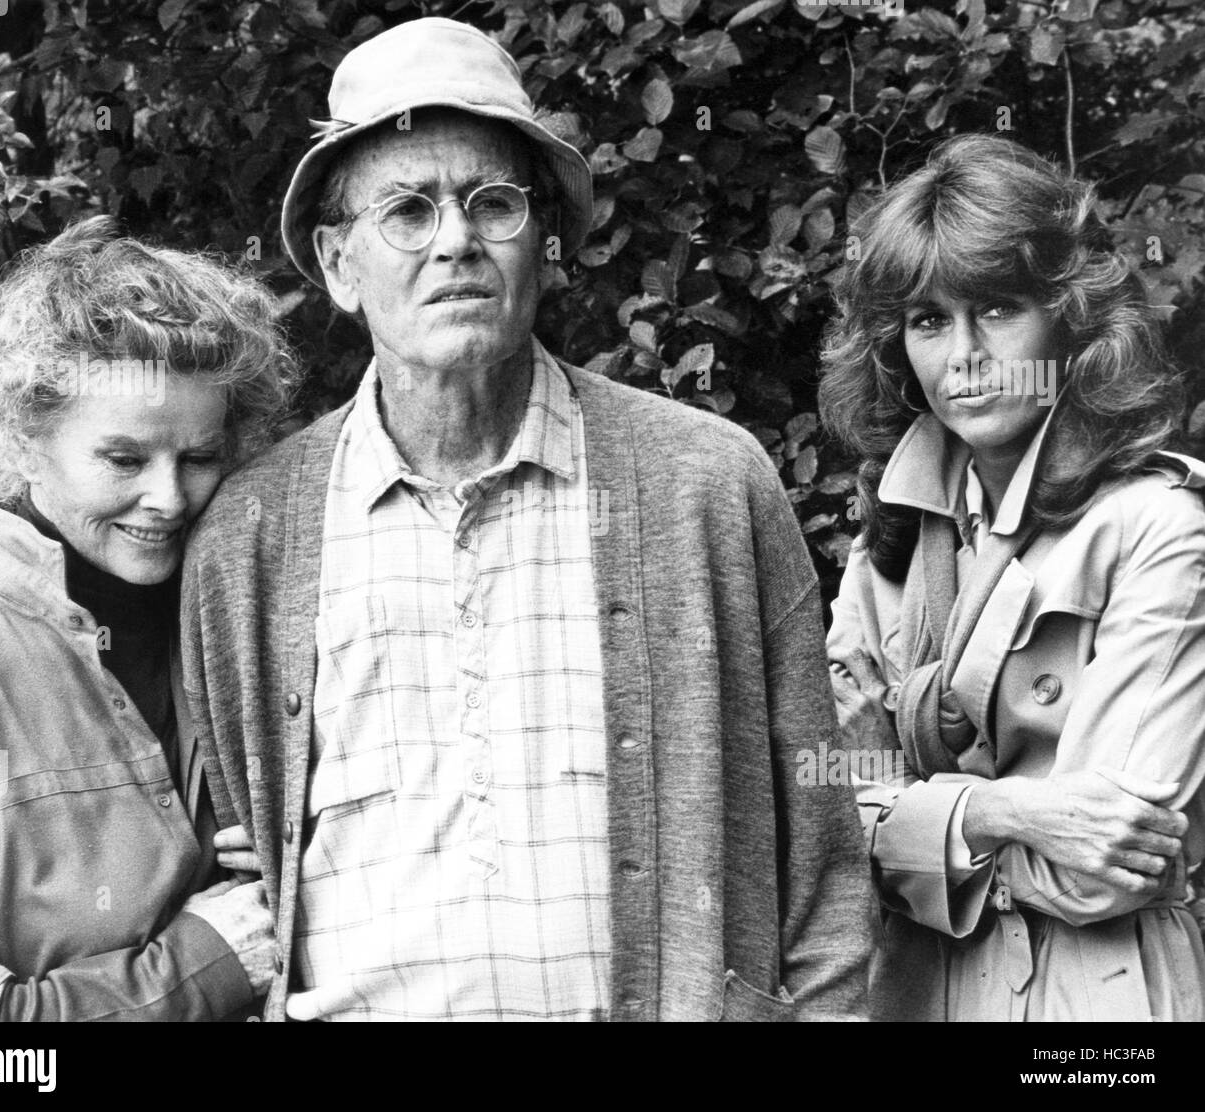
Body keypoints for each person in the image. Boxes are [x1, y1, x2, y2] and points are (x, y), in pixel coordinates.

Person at [180, 16, 872, 1022]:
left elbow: (823, 857)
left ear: (544, 245)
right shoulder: (253, 533)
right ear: (337, 263)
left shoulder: (704, 484)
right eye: (406, 211)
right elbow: (241, 844)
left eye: (490, 203)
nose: (454, 239)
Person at [819, 133, 1205, 1021]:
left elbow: (1100, 872)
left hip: (1101, 1006)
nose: (962, 355)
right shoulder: (891, 539)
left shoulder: (1158, 527)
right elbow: (826, 826)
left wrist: (913, 827)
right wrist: (1007, 816)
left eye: (996, 310)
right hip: (912, 991)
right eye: (927, 320)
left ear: (1070, 320)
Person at [0, 217, 293, 1020]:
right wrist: (197, 968)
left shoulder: (260, 627)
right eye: (124, 459)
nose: (169, 497)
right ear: (23, 443)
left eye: (199, 457)